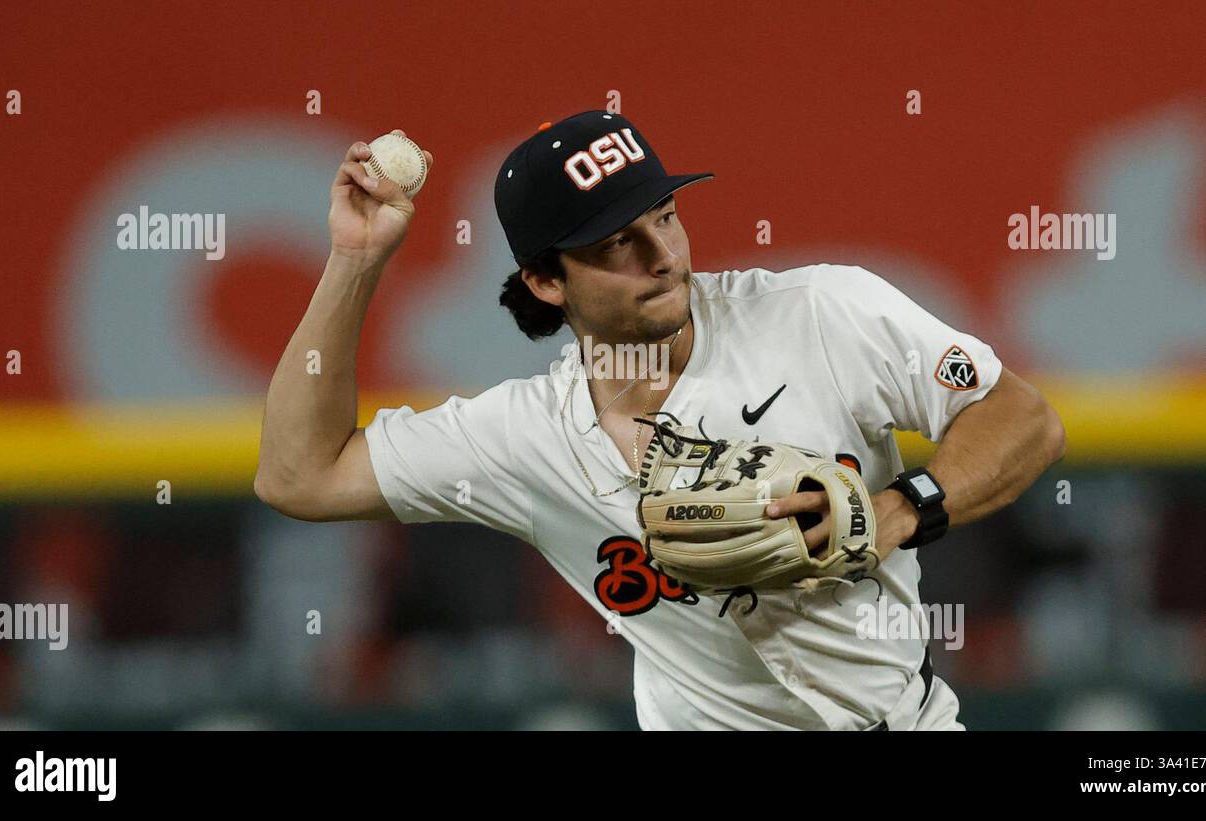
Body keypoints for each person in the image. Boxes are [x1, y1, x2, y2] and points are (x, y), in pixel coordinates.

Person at [255, 110, 1067, 730]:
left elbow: (1021, 416)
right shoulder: (525, 437)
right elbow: (300, 473)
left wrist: (897, 510)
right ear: (545, 280)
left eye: (665, 214)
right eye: (617, 242)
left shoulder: (819, 312)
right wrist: (355, 263)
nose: (663, 254)